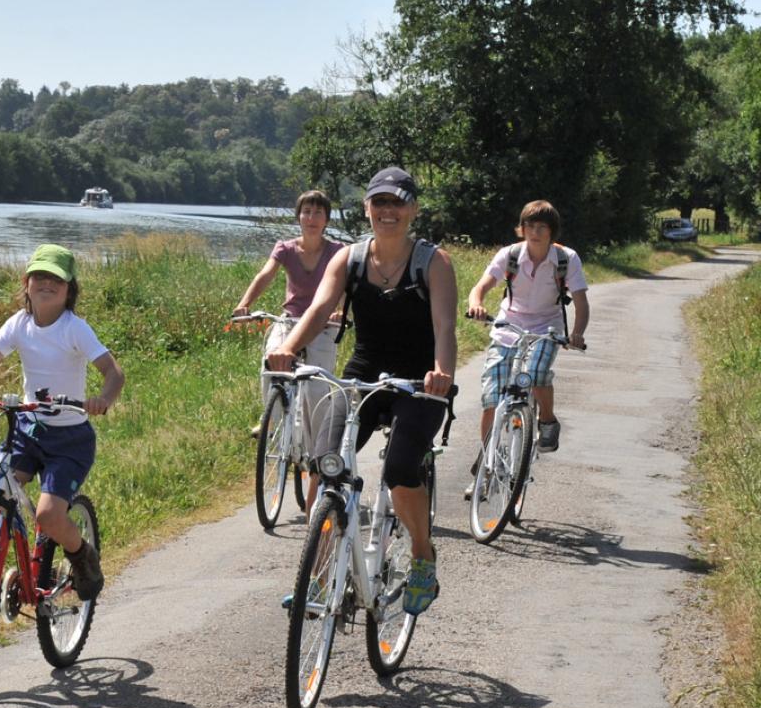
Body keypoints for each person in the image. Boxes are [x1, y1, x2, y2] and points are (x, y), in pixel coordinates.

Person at [266, 167, 457, 615]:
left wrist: (442, 372)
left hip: (420, 381)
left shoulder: (434, 262)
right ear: (367, 207)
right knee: (326, 466)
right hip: (363, 374)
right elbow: (319, 309)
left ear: (413, 209)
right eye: (379, 202)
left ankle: (422, 555)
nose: (388, 211)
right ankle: (320, 577)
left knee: (400, 469)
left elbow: (445, 326)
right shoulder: (349, 259)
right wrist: (289, 348)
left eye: (397, 202)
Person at [0, 244, 126, 600]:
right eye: (40, 276)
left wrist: (103, 399)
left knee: (48, 517)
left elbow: (114, 373)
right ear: (26, 283)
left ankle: (82, 556)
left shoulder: (74, 329)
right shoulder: (18, 324)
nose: (47, 284)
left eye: (56, 279)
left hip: (69, 440)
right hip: (27, 432)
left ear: (69, 289)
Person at [463, 200, 589, 491]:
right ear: (521, 229)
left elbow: (581, 302)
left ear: (552, 232)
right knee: (492, 398)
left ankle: (547, 421)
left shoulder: (566, 259)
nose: (535, 232)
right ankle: (487, 466)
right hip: (508, 328)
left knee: (536, 372)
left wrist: (577, 333)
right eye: (529, 226)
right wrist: (476, 304)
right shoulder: (509, 255)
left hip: (546, 328)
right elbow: (481, 286)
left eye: (542, 227)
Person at [232, 189, 342, 502]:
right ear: (298, 216)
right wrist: (245, 303)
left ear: (326, 219)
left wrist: (339, 310)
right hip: (290, 320)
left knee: (317, 391)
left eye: (318, 212)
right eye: (306, 212)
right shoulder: (285, 248)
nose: (311, 218)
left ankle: (318, 453)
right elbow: (265, 274)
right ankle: (273, 422)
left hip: (322, 325)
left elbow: (345, 285)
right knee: (271, 361)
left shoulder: (337, 251)